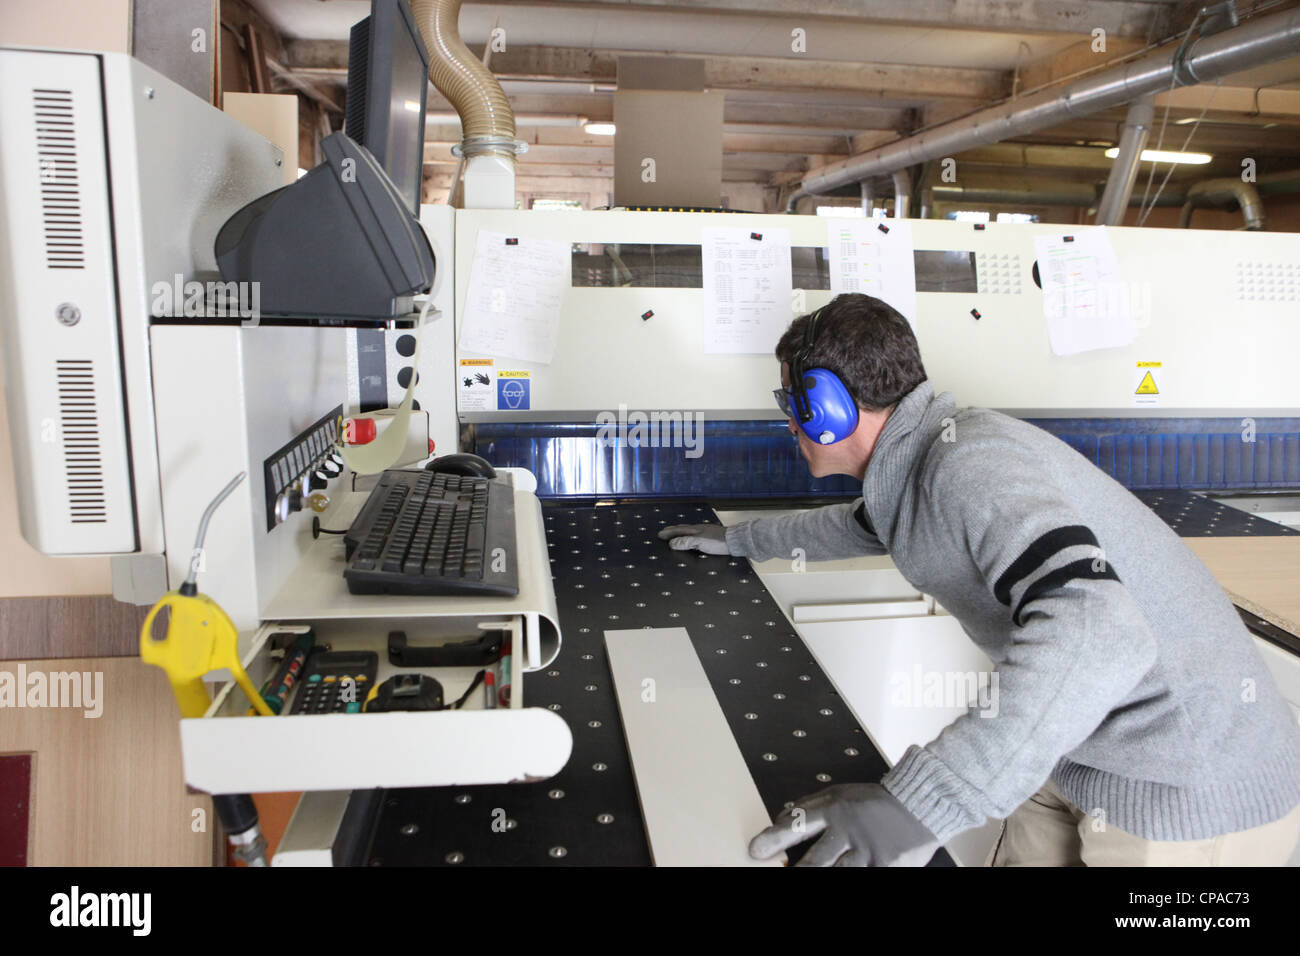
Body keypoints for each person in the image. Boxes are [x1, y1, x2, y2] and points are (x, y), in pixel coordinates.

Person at [659, 293, 1300, 867]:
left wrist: (921, 802)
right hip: (1078, 753)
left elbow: (1102, 629)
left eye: (790, 404)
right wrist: (738, 541)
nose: (788, 423)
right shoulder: (919, 468)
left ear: (825, 408)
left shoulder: (968, 464)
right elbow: (859, 525)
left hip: (1184, 789)